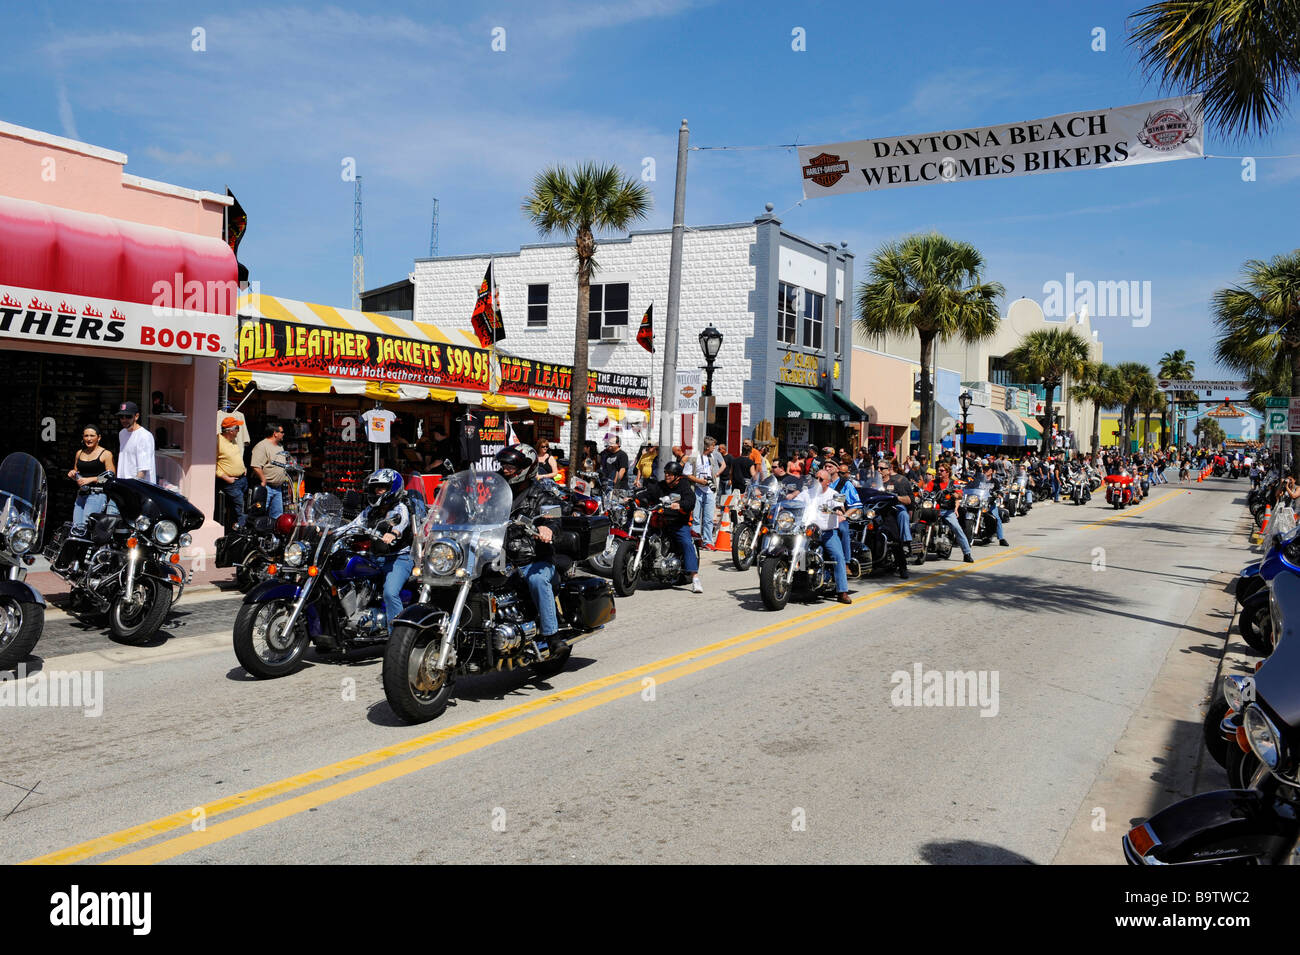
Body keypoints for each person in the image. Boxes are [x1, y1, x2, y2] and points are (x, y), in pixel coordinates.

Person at [497, 444, 583, 651]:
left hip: (533, 559)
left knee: (537, 579)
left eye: (510, 466)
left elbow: (554, 517)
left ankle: (552, 636)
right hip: (498, 556)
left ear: (526, 468)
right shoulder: (497, 490)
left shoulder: (542, 493)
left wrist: (547, 528)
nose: (505, 469)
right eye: (504, 465)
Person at [358, 468, 414, 631]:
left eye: (382, 487)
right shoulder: (371, 511)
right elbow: (355, 523)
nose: (377, 491)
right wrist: (330, 532)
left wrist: (393, 533)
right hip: (375, 558)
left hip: (398, 559)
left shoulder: (399, 508)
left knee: (390, 593)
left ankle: (396, 637)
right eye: (375, 488)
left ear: (392, 489)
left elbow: (401, 523)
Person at [794, 462, 852, 604]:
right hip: (808, 533)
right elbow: (795, 504)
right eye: (816, 478)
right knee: (799, 553)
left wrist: (839, 510)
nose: (817, 481)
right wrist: (784, 505)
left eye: (821, 479)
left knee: (838, 556)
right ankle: (800, 585)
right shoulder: (807, 493)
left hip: (827, 533)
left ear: (828, 482)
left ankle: (842, 591)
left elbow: (841, 506)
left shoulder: (835, 494)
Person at [640, 460, 703, 593]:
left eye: (670, 474)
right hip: (660, 521)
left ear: (677, 476)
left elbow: (690, 500)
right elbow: (649, 493)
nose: (667, 476)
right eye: (666, 473)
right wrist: (633, 498)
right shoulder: (662, 485)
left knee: (686, 543)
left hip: (677, 522)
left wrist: (680, 505)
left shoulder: (684, 486)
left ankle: (695, 578)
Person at [69, 425, 115, 531]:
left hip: (97, 495)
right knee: (76, 528)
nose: (89, 439)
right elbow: (77, 473)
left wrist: (91, 479)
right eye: (86, 436)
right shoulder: (79, 453)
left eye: (92, 436)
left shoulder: (106, 454)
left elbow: (111, 477)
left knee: (87, 527)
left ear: (98, 438)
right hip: (81, 495)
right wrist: (73, 474)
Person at [877, 458, 915, 578]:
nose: (879, 470)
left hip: (890, 512)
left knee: (895, 539)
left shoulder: (896, 483)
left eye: (881, 468)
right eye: (877, 468)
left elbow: (908, 500)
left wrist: (896, 497)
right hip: (875, 512)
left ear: (888, 470)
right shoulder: (873, 483)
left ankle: (902, 567)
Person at [929, 463, 974, 563]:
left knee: (957, 529)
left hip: (948, 511)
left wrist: (953, 494)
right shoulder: (933, 482)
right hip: (933, 510)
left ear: (947, 472)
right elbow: (926, 492)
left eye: (941, 471)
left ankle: (967, 554)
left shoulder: (953, 483)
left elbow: (959, 496)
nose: (939, 472)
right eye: (938, 470)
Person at [684, 436, 724, 548]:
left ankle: (708, 542)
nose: (714, 449)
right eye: (712, 446)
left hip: (709, 490)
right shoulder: (693, 457)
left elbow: (715, 471)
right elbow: (686, 474)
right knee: (696, 518)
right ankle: (696, 540)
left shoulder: (711, 457)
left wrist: (712, 480)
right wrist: (699, 481)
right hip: (697, 489)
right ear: (706, 446)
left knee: (709, 518)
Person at [251, 422, 291, 519]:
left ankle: (274, 535)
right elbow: (256, 465)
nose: (283, 434)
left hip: (278, 488)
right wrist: (263, 480)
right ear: (275, 433)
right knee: (260, 514)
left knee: (277, 516)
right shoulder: (262, 446)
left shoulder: (280, 446)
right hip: (266, 487)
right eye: (282, 432)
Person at [216, 416, 248, 530]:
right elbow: (212, 463)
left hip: (241, 479)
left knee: (240, 507)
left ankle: (234, 529)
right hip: (230, 482)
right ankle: (241, 531)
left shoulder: (232, 440)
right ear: (230, 430)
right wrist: (225, 477)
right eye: (237, 428)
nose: (239, 430)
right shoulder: (218, 441)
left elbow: (234, 457)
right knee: (240, 507)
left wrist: (243, 468)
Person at [832, 460, 862, 573]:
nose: (827, 468)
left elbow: (855, 504)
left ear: (836, 469)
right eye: (825, 466)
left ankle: (846, 562)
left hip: (838, 517)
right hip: (821, 517)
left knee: (843, 529)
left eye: (830, 466)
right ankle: (800, 564)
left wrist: (844, 515)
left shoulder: (845, 484)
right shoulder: (820, 483)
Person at [115, 401, 155, 483]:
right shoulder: (122, 433)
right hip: (124, 484)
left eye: (128, 416)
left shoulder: (144, 436)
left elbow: (143, 470)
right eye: (121, 417)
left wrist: (133, 487)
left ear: (136, 416)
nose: (124, 419)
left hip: (139, 488)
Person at [976, 463, 1010, 546]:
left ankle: (1001, 538)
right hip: (978, 502)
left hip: (989, 503)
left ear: (991, 471)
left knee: (997, 518)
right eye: (984, 470)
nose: (985, 471)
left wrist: (999, 494)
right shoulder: (979, 480)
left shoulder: (995, 481)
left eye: (987, 470)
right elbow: (972, 487)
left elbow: (999, 490)